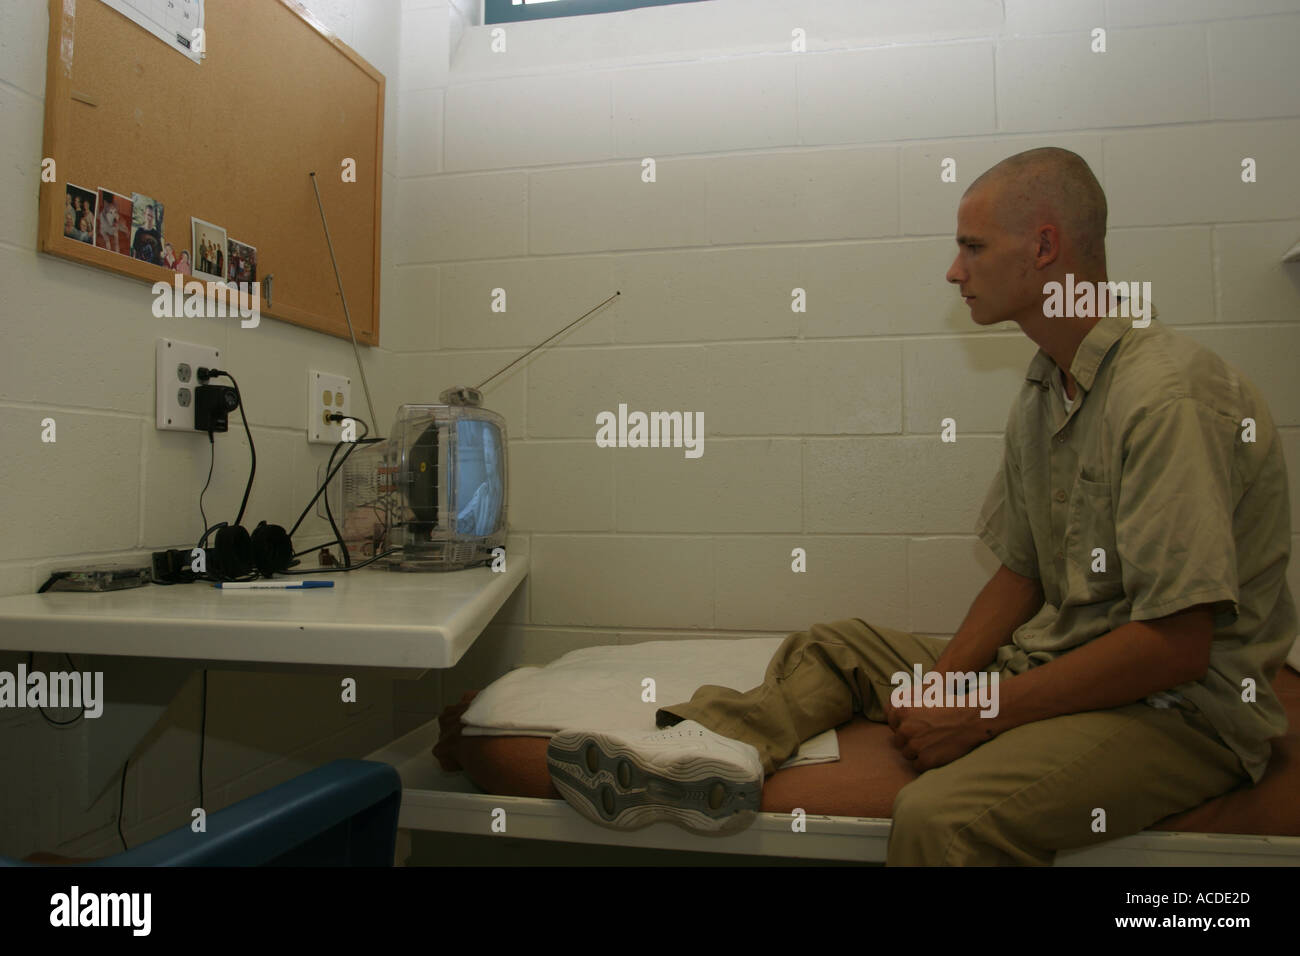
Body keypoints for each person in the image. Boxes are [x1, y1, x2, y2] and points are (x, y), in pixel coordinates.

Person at [545, 147, 1296, 866]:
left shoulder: (1166, 396)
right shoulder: (1046, 387)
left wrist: (985, 711)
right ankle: (714, 751)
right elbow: (1022, 575)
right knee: (837, 647)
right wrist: (943, 689)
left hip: (1178, 713)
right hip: (1059, 659)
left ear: (1042, 247)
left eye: (972, 247)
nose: (953, 271)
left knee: (943, 821)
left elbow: (1176, 644)